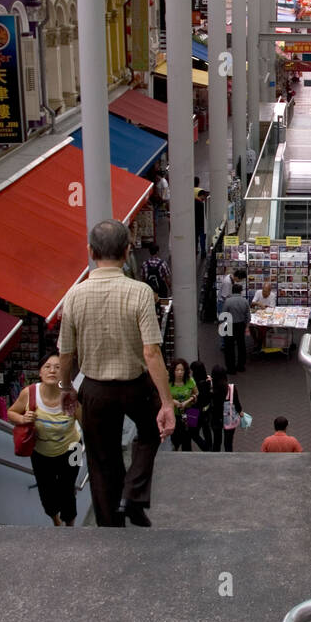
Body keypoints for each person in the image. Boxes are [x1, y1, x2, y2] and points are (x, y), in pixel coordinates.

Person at [58, 219, 176, 528]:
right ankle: (134, 494)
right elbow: (151, 353)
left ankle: (110, 524)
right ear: (126, 251)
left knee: (101, 458)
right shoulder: (140, 293)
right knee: (150, 434)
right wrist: (166, 402)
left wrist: (66, 387)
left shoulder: (73, 295)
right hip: (135, 385)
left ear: (90, 251)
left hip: (94, 389)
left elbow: (66, 352)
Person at [8, 350, 82, 527]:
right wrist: (22, 418)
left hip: (73, 449)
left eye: (58, 367)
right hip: (41, 453)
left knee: (68, 489)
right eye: (47, 367)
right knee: (47, 492)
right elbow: (11, 412)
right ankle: (55, 520)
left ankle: (70, 525)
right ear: (40, 372)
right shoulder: (30, 393)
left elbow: (84, 421)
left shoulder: (70, 395)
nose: (52, 371)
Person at [209, 364, 242, 452]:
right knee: (228, 443)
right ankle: (228, 460)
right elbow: (237, 403)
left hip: (216, 419)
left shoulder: (211, 389)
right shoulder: (231, 388)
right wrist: (240, 411)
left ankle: (216, 459)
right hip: (229, 418)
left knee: (216, 442)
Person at [169, 359, 199, 452]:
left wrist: (188, 401)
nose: (180, 372)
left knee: (188, 436)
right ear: (173, 371)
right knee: (175, 436)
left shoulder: (190, 381)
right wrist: (174, 401)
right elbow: (163, 396)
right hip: (174, 413)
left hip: (189, 411)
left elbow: (196, 393)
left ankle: (187, 455)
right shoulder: (168, 382)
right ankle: (175, 448)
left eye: (182, 370)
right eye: (177, 370)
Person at [221, 283, 251, 373]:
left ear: (232, 290)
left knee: (229, 347)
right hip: (240, 324)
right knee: (241, 345)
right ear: (240, 291)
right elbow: (248, 316)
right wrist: (247, 326)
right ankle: (241, 366)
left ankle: (231, 368)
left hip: (229, 325)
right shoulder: (244, 301)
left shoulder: (228, 301)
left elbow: (224, 315)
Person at [189, 360, 213, 453]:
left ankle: (205, 448)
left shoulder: (193, 384)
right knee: (206, 429)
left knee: (193, 433)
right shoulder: (208, 381)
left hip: (193, 411)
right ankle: (210, 447)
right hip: (206, 409)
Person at [250, 279, 276, 354]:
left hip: (266, 315)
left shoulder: (272, 295)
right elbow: (252, 304)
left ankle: (260, 344)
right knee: (251, 326)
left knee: (262, 327)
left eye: (266, 292)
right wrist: (259, 304)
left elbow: (272, 308)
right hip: (257, 313)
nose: (264, 293)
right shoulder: (258, 292)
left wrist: (265, 307)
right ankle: (256, 341)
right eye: (263, 291)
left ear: (270, 291)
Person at [194, 189, 209, 261]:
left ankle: (195, 250)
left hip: (195, 224)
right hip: (202, 225)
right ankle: (203, 252)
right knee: (202, 239)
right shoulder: (201, 204)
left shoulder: (193, 202)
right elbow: (203, 215)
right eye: (204, 197)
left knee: (195, 238)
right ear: (202, 195)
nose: (204, 198)